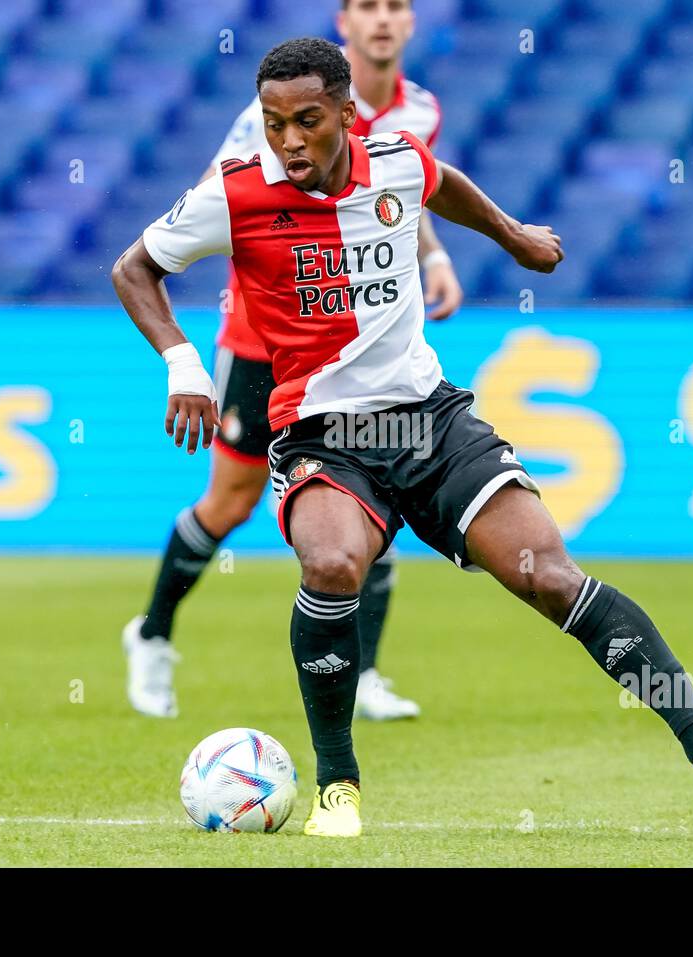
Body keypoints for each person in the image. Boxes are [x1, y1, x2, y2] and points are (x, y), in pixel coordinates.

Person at [112, 38, 693, 838]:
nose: (288, 142)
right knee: (330, 561)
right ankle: (339, 785)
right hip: (323, 433)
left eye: (308, 122)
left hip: (430, 419)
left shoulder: (394, 159)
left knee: (549, 576)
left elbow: (441, 182)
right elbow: (134, 268)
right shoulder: (235, 192)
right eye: (275, 123)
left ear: (347, 117)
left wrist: (511, 234)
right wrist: (183, 365)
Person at [122, 0, 459, 722]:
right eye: (367, 6)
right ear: (344, 23)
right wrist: (184, 361)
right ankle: (151, 635)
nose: (381, 20)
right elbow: (228, 202)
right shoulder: (272, 114)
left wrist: (432, 255)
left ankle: (362, 670)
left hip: (360, 333)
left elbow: (403, 189)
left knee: (380, 490)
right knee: (232, 501)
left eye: (395, 6)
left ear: (409, 24)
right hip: (264, 334)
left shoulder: (420, 112)